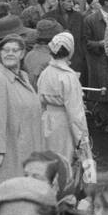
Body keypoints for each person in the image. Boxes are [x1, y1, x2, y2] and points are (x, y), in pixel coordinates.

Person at [0, 33, 44, 187]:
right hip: (8, 157)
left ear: (22, 54)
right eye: (6, 50)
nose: (10, 53)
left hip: (26, 154)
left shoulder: (24, 78)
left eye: (14, 50)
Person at [36, 31, 90, 167]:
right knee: (64, 165)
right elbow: (75, 114)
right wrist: (81, 141)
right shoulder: (68, 77)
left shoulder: (45, 73)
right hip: (63, 124)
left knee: (47, 164)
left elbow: (39, 102)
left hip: (46, 122)